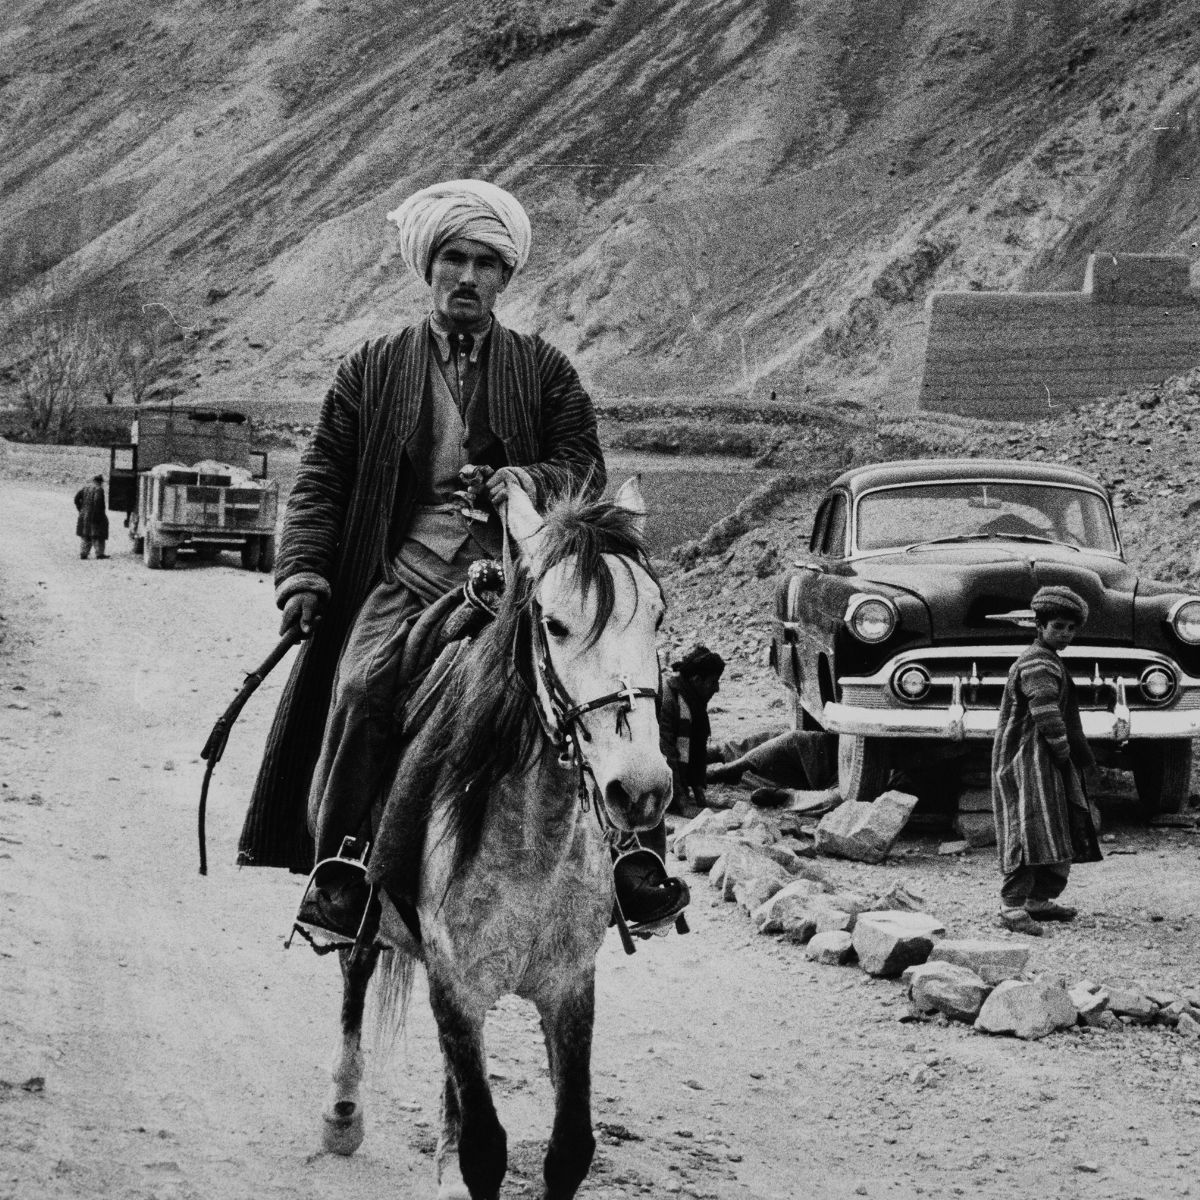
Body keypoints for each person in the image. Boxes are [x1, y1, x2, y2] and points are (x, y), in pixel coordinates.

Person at [238, 178, 686, 944]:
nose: (468, 276)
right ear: (428, 267)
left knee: (616, 688)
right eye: (454, 257)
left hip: (517, 586)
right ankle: (342, 875)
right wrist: (305, 573)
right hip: (408, 581)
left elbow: (582, 464)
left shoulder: (544, 371)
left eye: (486, 262)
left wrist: (527, 479)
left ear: (507, 278)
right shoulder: (370, 372)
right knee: (361, 692)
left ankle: (634, 866)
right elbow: (321, 480)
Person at [991, 585, 1102, 936]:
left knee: (1056, 827)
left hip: (1044, 759)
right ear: (1039, 626)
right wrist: (1065, 752)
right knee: (1029, 830)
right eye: (1058, 627)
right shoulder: (1037, 662)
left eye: (1071, 628)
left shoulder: (1047, 658)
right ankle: (1011, 909)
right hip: (1027, 760)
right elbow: (1046, 713)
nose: (1066, 634)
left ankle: (1038, 901)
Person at [660, 645, 725, 816]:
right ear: (696, 680)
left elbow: (696, 748)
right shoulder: (668, 700)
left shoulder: (693, 701)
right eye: (713, 682)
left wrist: (699, 794)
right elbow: (667, 754)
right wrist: (682, 804)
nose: (717, 688)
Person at [74, 474, 109, 560]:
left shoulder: (85, 488)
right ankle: (99, 554)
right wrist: (98, 515)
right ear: (100, 482)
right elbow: (98, 502)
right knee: (98, 535)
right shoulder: (99, 489)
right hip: (95, 514)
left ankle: (83, 553)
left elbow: (76, 499)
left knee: (85, 534)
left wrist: (80, 509)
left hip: (84, 515)